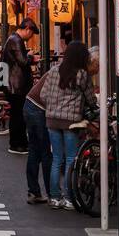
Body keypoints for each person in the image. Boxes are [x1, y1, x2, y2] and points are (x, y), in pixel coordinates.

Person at [40, 40, 98, 209]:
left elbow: (43, 95)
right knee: (71, 159)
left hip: (52, 120)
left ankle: (55, 198)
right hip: (71, 122)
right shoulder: (82, 74)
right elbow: (90, 98)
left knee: (57, 158)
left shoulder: (53, 71)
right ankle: (69, 198)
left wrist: (54, 106)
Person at [2, 18, 39, 154]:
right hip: (16, 85)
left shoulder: (13, 39)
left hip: (14, 84)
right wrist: (31, 57)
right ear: (27, 29)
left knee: (17, 114)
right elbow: (23, 61)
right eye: (31, 34)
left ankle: (19, 143)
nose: (31, 37)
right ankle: (17, 144)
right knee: (18, 115)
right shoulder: (16, 40)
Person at [22, 69, 51, 204]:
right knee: (45, 152)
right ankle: (52, 193)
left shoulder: (57, 70)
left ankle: (34, 191)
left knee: (34, 150)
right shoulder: (72, 72)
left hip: (29, 104)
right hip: (39, 109)